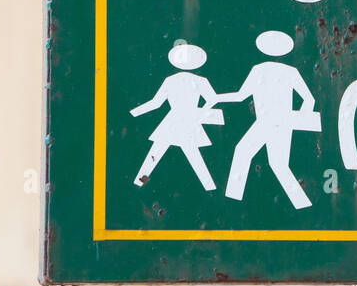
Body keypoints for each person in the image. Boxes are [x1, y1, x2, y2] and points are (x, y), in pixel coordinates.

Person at [219, 31, 320, 207]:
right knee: (277, 164)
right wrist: (299, 118)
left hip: (267, 121)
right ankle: (302, 203)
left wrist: (217, 98)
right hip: (281, 122)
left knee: (244, 152)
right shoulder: (291, 72)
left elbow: (240, 96)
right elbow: (309, 100)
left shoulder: (259, 70)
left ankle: (232, 202)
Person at [130, 42, 226, 190]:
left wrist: (136, 112)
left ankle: (138, 182)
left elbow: (156, 103)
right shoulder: (200, 80)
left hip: (174, 120)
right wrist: (199, 112)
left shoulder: (172, 80)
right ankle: (210, 187)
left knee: (160, 150)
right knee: (190, 154)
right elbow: (213, 99)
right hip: (187, 120)